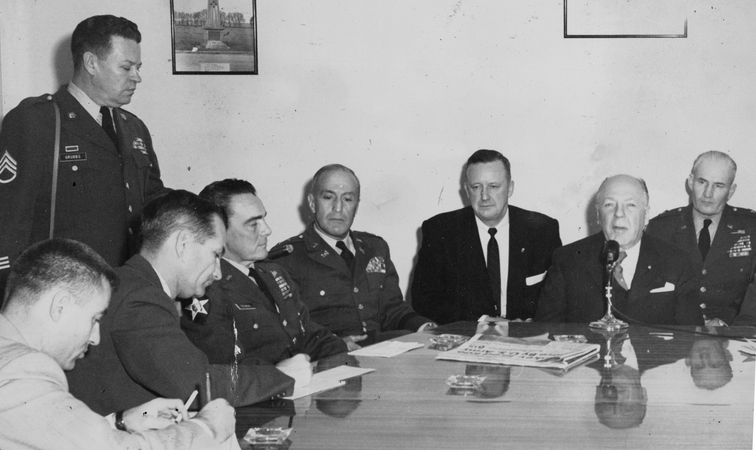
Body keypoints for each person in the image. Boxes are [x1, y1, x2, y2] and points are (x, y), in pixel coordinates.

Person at [0, 239, 239, 450]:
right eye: (94, 319)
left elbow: (27, 431)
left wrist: (120, 422)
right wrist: (207, 428)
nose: (95, 338)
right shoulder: (18, 369)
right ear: (61, 305)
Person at [0, 14, 168, 311]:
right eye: (126, 67)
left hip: (126, 300)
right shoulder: (38, 121)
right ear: (91, 63)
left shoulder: (134, 129)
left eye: (138, 68)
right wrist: (12, 306)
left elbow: (155, 205)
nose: (137, 77)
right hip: (62, 302)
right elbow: (2, 228)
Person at [67, 190, 307, 416]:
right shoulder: (140, 298)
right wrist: (280, 375)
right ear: (183, 244)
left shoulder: (128, 283)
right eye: (215, 255)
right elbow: (196, 385)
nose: (218, 273)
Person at [181, 179, 346, 366]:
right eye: (253, 224)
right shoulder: (206, 289)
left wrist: (342, 357)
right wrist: (283, 375)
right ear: (220, 232)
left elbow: (309, 334)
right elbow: (228, 369)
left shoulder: (273, 272)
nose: (267, 230)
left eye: (263, 219)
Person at [271, 164, 434, 350]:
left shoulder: (375, 247)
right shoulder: (287, 258)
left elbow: (392, 308)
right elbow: (291, 328)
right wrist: (333, 344)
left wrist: (424, 327)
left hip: (381, 351)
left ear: (356, 205)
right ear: (311, 202)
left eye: (348, 199)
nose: (338, 208)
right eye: (328, 197)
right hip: (327, 357)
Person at [411, 149, 562, 324]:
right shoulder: (440, 231)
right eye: (476, 187)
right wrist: (483, 321)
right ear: (467, 190)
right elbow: (424, 301)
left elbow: (558, 297)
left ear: (510, 188)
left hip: (526, 336)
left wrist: (532, 322)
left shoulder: (542, 230)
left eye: (493, 186)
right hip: (466, 336)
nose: (484, 196)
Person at [535, 174, 703, 326]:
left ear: (646, 215)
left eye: (630, 205)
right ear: (598, 215)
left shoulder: (677, 261)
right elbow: (546, 330)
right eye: (609, 205)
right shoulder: (568, 260)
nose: (619, 214)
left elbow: (692, 336)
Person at [648, 151, 756, 327]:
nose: (708, 193)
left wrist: (727, 321)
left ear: (731, 191)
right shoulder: (661, 228)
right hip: (677, 332)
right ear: (690, 182)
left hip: (732, 332)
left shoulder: (751, 228)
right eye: (701, 182)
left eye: (719, 185)